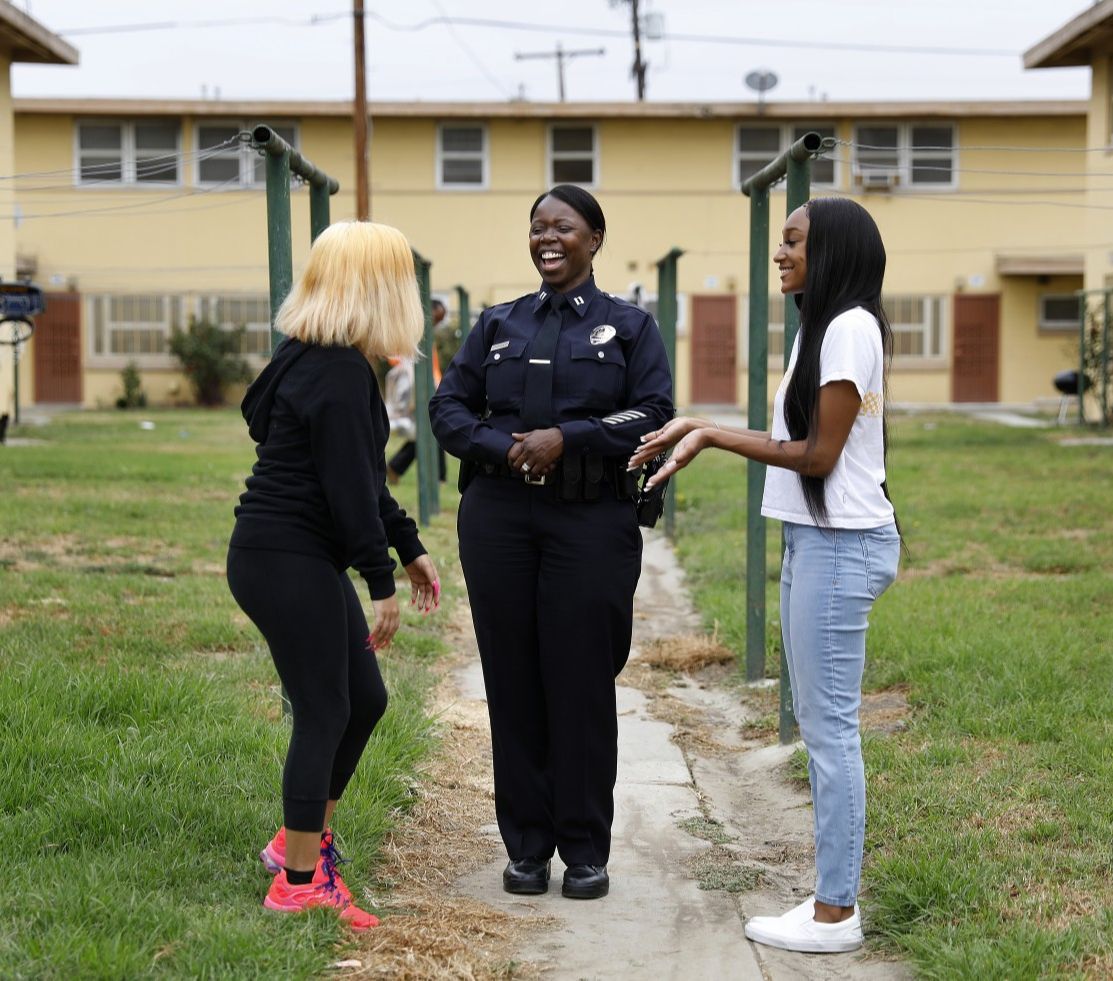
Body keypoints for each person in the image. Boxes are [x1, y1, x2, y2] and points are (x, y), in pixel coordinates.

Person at [630, 197, 900, 953]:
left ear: (832, 251)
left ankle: (835, 914)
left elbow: (818, 456)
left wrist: (714, 436)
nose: (779, 254)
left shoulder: (846, 329)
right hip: (820, 542)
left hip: (840, 547)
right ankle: (829, 900)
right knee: (822, 726)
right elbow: (803, 442)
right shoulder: (823, 326)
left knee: (830, 732)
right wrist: (699, 425)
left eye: (793, 241)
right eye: (779, 241)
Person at [429, 184, 673, 900]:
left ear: (593, 239)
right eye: (537, 227)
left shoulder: (628, 327)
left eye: (562, 227)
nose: (547, 238)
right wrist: (502, 448)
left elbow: (653, 411)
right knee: (512, 681)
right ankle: (528, 848)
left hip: (588, 520)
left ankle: (585, 848)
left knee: (581, 680)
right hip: (500, 518)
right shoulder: (497, 324)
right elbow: (447, 407)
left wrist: (568, 437)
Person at [226, 221, 440, 931]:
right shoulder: (340, 372)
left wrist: (407, 545)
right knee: (324, 709)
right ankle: (296, 884)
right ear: (378, 288)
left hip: (286, 555)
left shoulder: (312, 356)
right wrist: (381, 581)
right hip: (285, 558)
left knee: (365, 699)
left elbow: (361, 478)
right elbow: (349, 493)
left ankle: (299, 840)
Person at [386, 299, 447, 483]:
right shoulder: (413, 332)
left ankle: (397, 467)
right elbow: (395, 357)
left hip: (430, 387)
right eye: (437, 318)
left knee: (429, 431)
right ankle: (436, 476)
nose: (437, 323)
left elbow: (432, 366)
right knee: (430, 430)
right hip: (417, 389)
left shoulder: (425, 334)